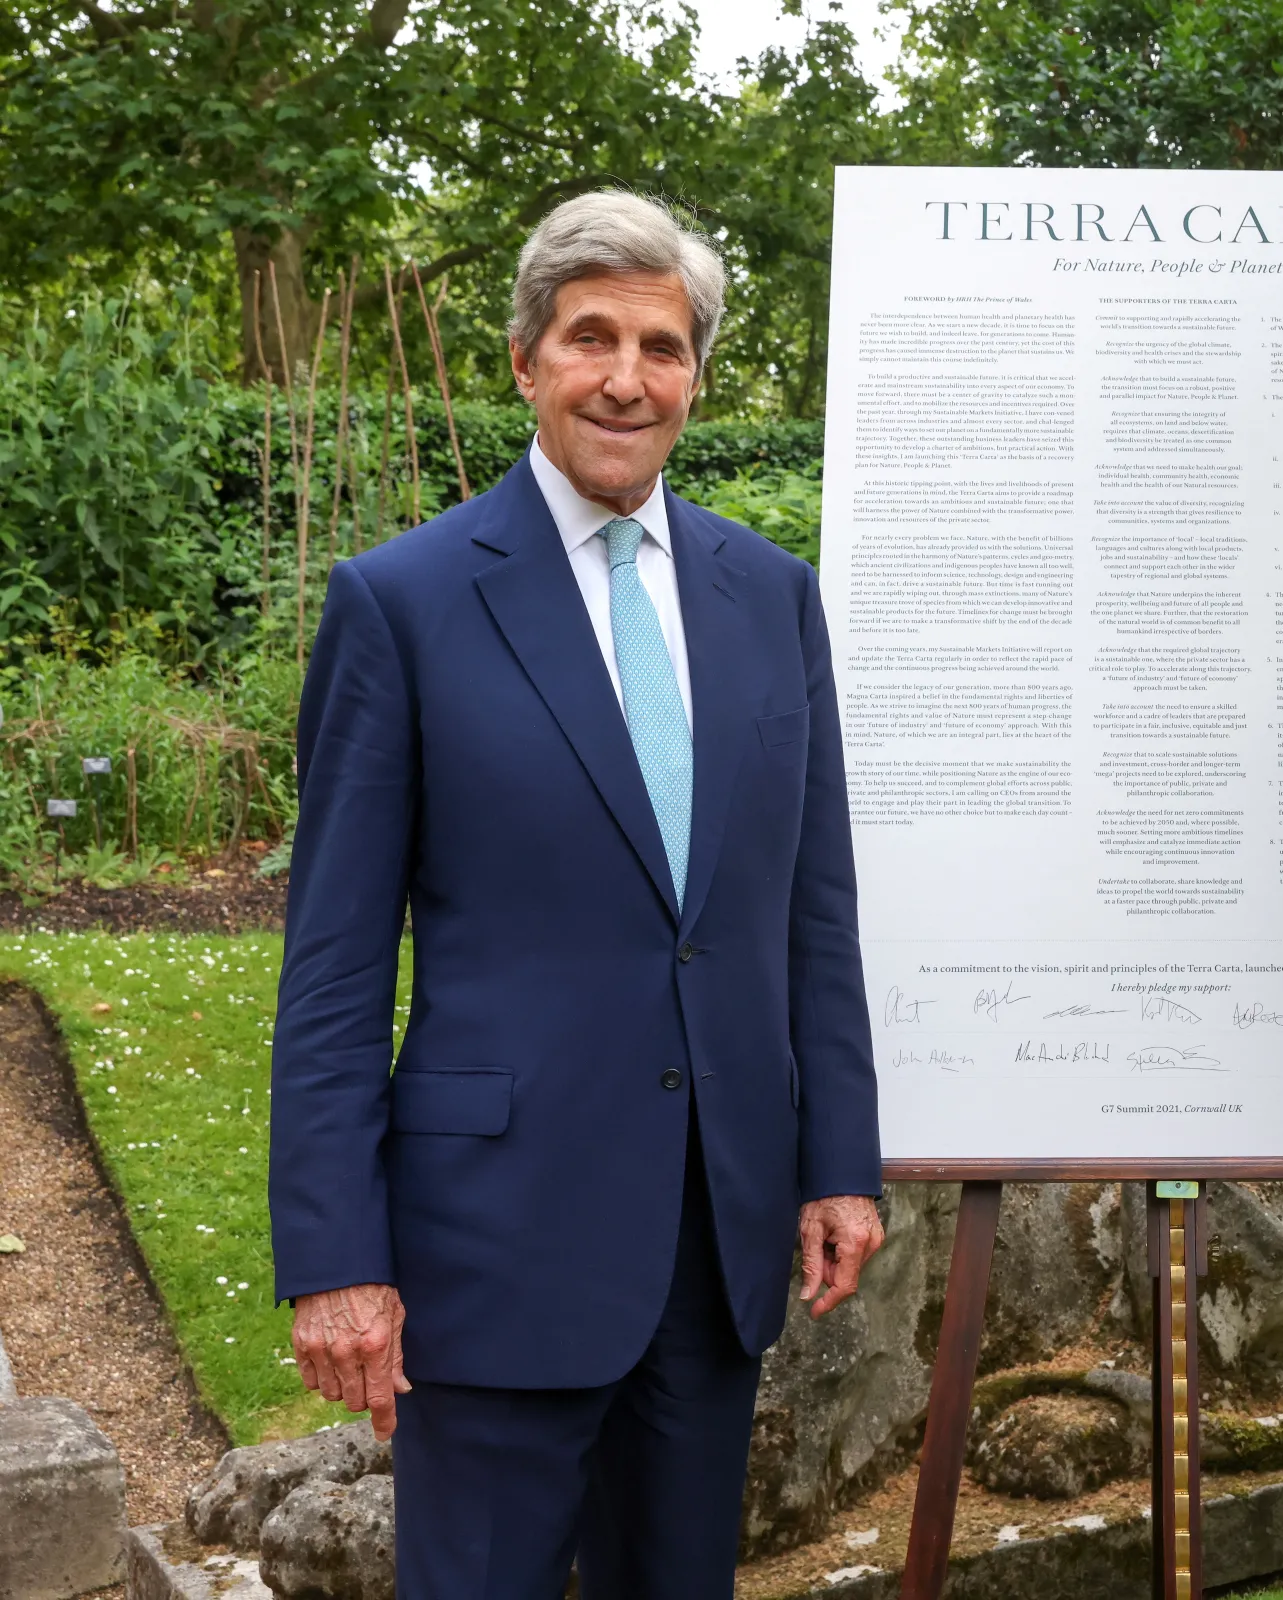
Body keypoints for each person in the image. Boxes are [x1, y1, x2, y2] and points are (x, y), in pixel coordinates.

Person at [268, 190, 883, 1597]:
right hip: (492, 1248)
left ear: (696, 377)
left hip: (710, 1246)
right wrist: (333, 1257)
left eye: (660, 347)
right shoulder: (404, 603)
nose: (626, 377)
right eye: (591, 337)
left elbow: (813, 907)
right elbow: (336, 967)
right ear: (526, 361)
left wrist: (837, 1157)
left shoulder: (770, 596)